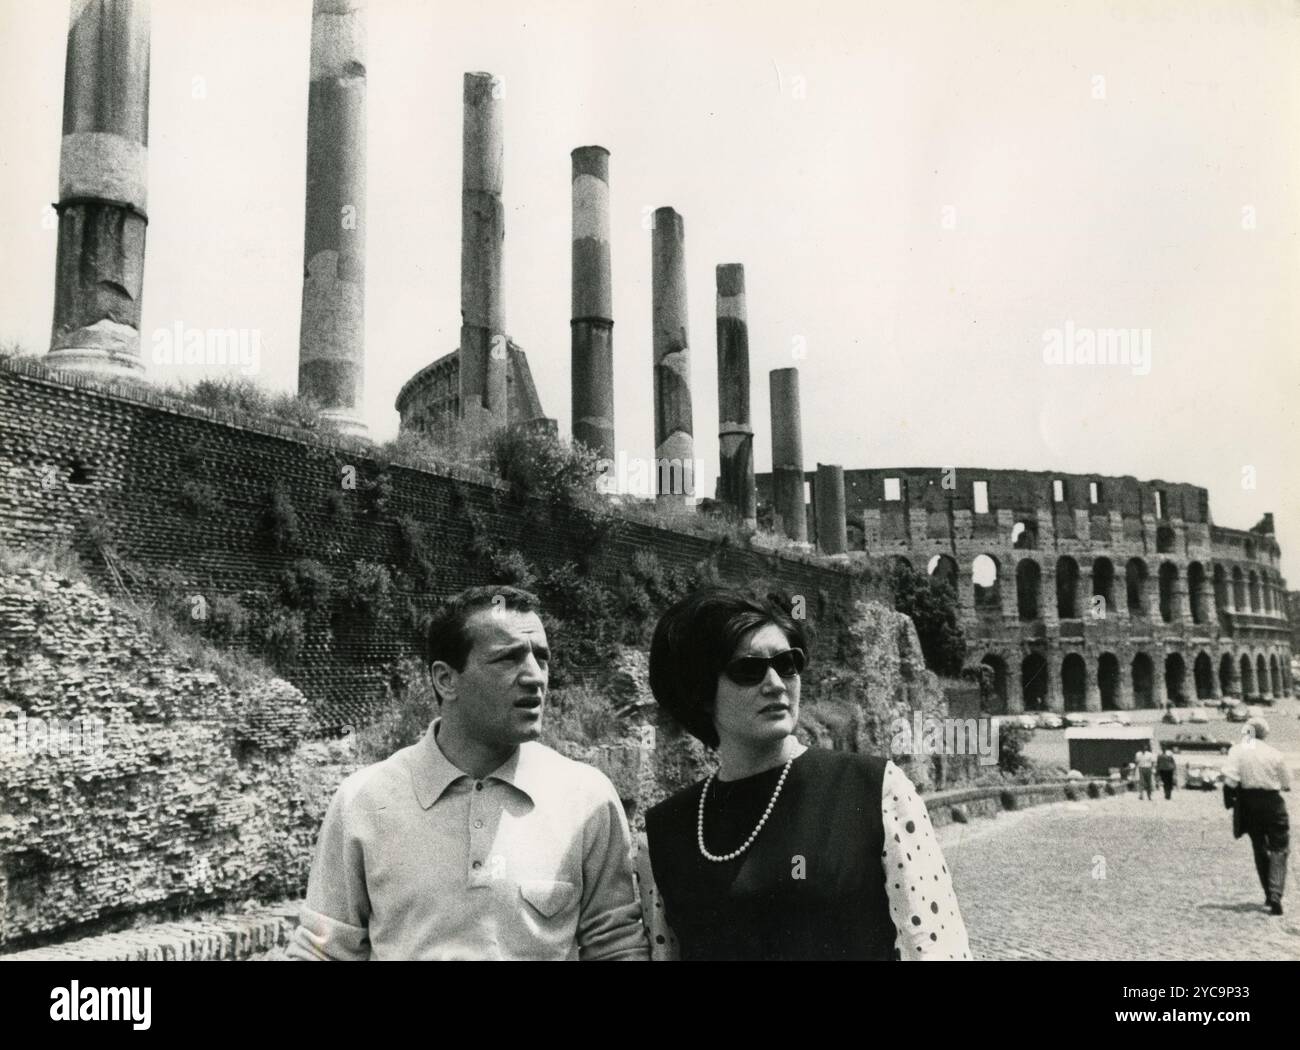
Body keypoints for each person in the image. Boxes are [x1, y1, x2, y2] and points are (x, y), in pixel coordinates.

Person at [286, 585, 648, 960]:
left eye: (541, 658)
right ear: (446, 679)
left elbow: (617, 947)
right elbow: (323, 952)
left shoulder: (586, 798)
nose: (535, 677)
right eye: (508, 659)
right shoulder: (364, 800)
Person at [638, 587, 971, 960]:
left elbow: (937, 948)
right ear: (701, 692)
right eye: (748, 670)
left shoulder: (875, 791)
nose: (776, 684)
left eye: (787, 663)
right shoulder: (665, 834)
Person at [1222, 716, 1291, 916]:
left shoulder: (1237, 751)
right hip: (1272, 803)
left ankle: (1268, 894)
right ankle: (1277, 892)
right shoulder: (1275, 754)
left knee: (1259, 848)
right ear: (1265, 734)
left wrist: (1230, 801)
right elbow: (1286, 782)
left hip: (1249, 804)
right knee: (1279, 848)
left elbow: (1230, 780)